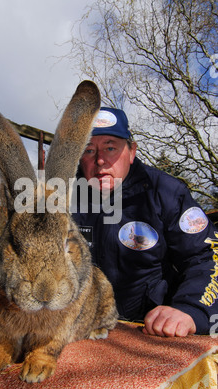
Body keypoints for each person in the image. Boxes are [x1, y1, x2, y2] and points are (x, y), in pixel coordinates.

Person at [73, 107, 217, 337]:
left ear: (131, 152)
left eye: (110, 147)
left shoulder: (166, 193)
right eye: (89, 150)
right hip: (77, 330)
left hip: (148, 330)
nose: (100, 160)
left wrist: (190, 309)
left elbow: (207, 255)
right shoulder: (61, 199)